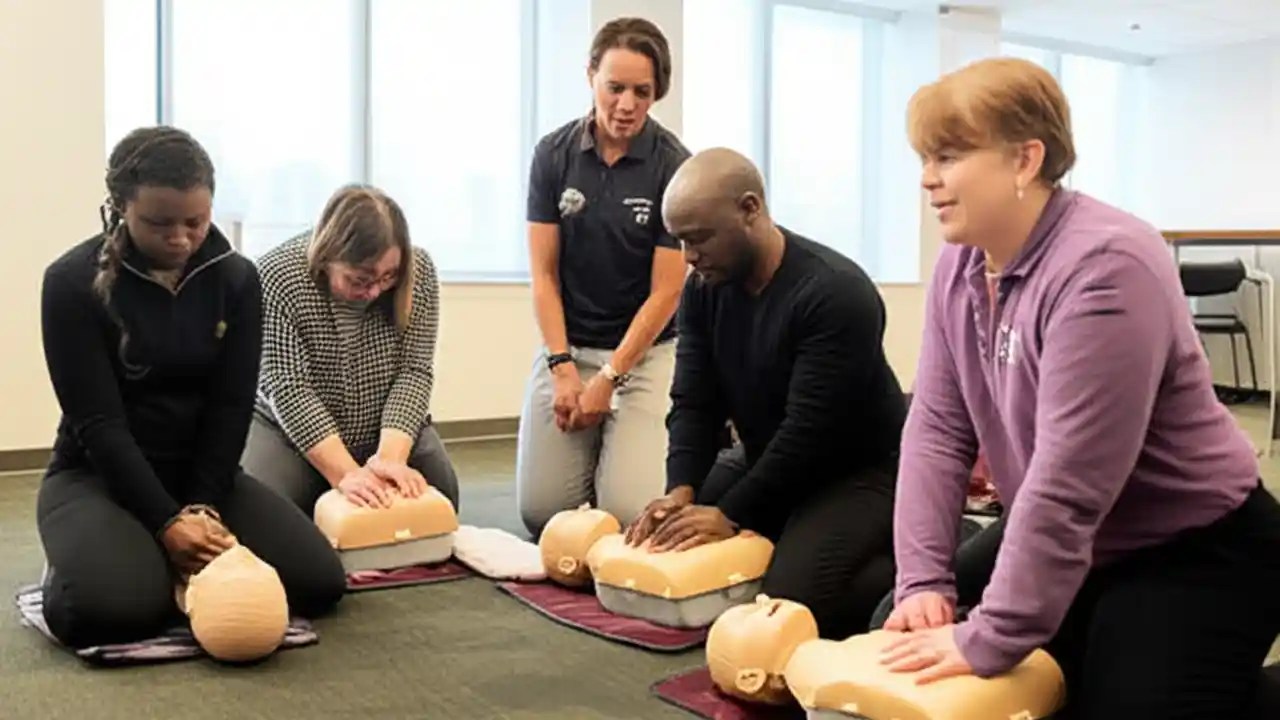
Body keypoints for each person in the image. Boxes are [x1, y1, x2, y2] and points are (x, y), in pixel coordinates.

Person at [875, 57, 1280, 719]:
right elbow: (938, 429)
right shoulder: (959, 265)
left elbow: (1069, 483)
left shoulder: (1108, 266)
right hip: (1075, 535)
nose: (927, 179)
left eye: (947, 156)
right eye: (925, 157)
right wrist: (924, 580)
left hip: (1194, 545)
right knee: (896, 627)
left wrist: (993, 635)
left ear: (1023, 160)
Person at [36, 126, 345, 648]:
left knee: (319, 583)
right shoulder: (69, 283)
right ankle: (97, 553)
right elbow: (99, 425)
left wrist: (201, 508)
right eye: (158, 223)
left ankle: (148, 553)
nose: (180, 238)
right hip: (97, 478)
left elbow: (231, 407)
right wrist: (162, 522)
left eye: (195, 223)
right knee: (109, 609)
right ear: (119, 207)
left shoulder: (238, 280)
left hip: (202, 477)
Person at [625, 147, 907, 640]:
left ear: (750, 209)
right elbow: (693, 399)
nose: (689, 256)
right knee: (666, 536)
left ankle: (926, 549)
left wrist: (733, 514)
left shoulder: (836, 292)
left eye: (700, 238)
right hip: (766, 455)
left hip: (859, 470)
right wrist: (681, 490)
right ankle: (786, 528)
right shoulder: (703, 289)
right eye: (680, 241)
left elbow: (810, 434)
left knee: (793, 599)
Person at [516, 16, 691, 537]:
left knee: (626, 516)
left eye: (642, 91)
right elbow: (544, 275)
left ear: (657, 92)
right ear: (591, 75)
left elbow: (668, 291)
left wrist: (610, 377)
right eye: (615, 88)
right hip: (570, 347)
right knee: (543, 515)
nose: (627, 104)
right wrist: (563, 366)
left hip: (645, 357)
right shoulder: (553, 155)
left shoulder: (672, 166)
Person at [241, 184, 459, 515]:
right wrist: (346, 474)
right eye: (360, 279)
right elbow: (288, 388)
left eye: (388, 278)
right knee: (262, 513)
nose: (374, 291)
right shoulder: (275, 276)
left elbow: (414, 372)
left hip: (381, 426)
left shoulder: (419, 272)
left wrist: (390, 460)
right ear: (328, 257)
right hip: (286, 432)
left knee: (442, 497)